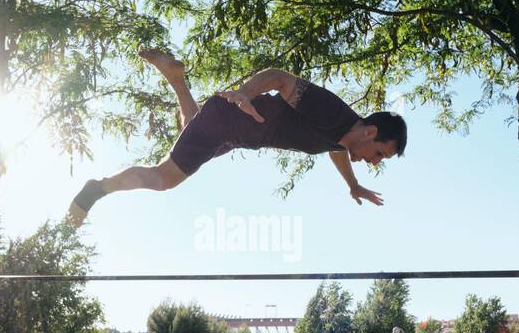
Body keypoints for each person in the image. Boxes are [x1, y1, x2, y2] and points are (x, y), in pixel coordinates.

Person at [65, 48, 407, 226]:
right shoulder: (333, 112)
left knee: (190, 132)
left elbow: (337, 151)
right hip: (231, 120)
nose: (375, 162)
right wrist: (244, 94)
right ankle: (96, 188)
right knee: (162, 178)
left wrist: (352, 185)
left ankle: (176, 78)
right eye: (380, 154)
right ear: (372, 131)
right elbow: (280, 77)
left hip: (231, 132)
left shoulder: (343, 136)